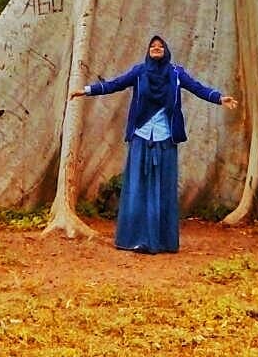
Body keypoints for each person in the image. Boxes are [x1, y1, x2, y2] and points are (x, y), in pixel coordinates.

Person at [70, 35, 237, 254]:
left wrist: (219, 98)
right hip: (141, 136)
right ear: (148, 51)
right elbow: (115, 84)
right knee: (138, 186)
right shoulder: (139, 72)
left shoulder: (176, 74)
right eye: (152, 46)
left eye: (160, 47)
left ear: (166, 51)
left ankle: (162, 241)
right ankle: (135, 239)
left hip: (165, 138)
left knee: (163, 187)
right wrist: (87, 90)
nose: (156, 49)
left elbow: (198, 88)